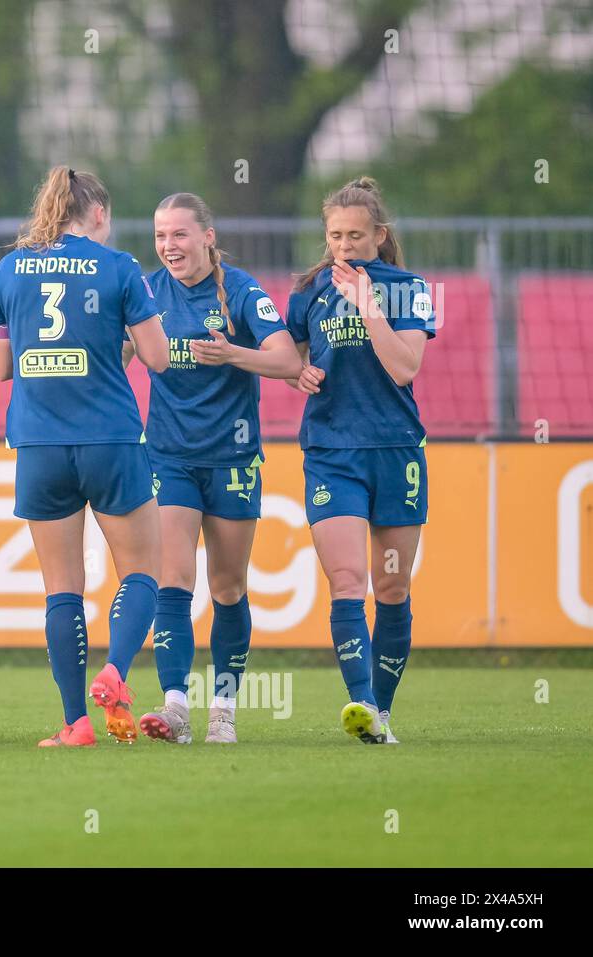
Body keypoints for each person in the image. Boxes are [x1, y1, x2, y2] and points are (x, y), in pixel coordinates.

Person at [0, 165, 168, 747]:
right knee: (141, 571)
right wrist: (114, 351)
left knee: (62, 587)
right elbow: (158, 356)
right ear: (99, 214)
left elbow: (1, 367)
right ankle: (114, 670)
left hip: (39, 443)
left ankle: (75, 724)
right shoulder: (119, 268)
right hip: (110, 439)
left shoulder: (11, 268)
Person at [128, 192, 302, 746]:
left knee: (227, 587)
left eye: (179, 234)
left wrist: (234, 354)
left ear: (207, 236)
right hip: (168, 455)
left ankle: (223, 707)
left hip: (231, 457)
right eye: (160, 236)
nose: (168, 246)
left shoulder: (242, 291)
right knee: (173, 579)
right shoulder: (147, 292)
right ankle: (176, 706)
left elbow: (287, 360)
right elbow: (118, 352)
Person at [286, 176, 435, 745]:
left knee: (391, 588)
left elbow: (404, 368)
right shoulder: (309, 290)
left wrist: (368, 304)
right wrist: (297, 371)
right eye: (334, 236)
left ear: (379, 234)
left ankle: (385, 711)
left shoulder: (410, 289)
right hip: (331, 453)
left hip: (396, 453)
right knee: (347, 581)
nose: (344, 246)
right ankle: (363, 706)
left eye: (355, 235)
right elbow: (291, 355)